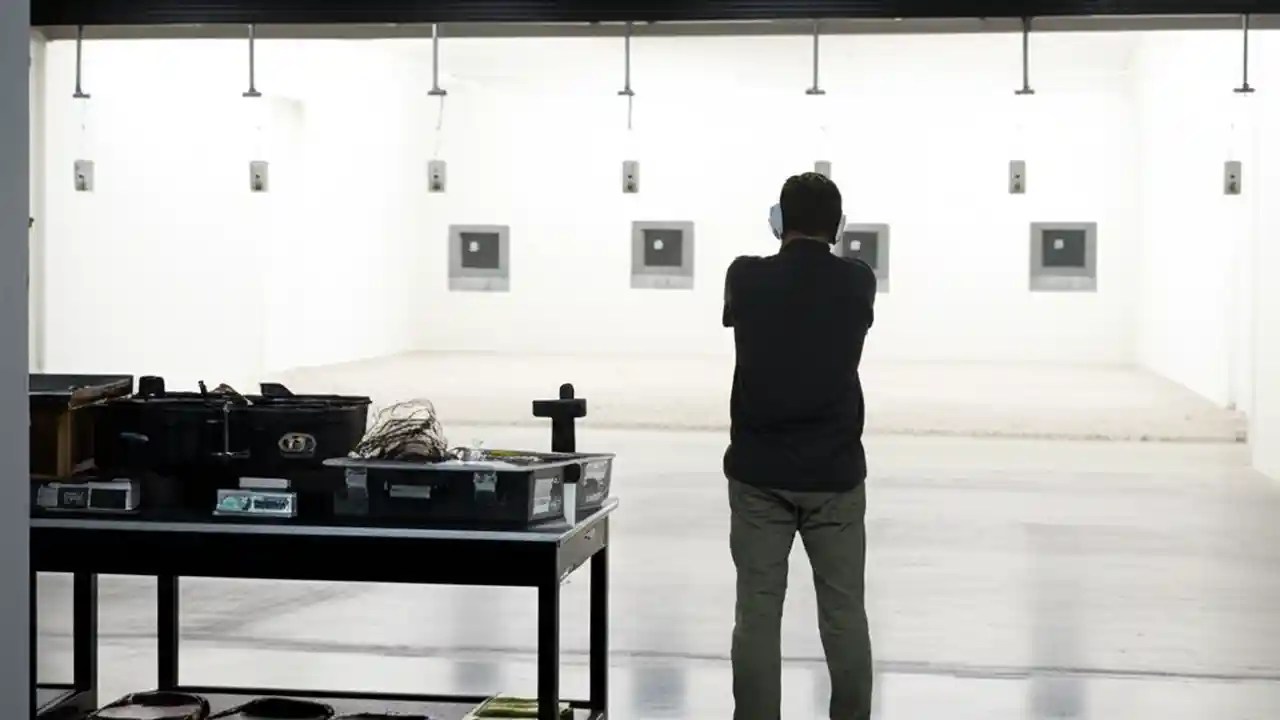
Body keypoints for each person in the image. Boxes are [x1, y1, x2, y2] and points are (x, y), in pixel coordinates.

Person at [721, 172, 877, 720]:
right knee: (844, 617)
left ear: (780, 222)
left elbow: (734, 316)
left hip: (759, 473)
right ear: (836, 227)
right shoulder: (858, 281)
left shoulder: (744, 276)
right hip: (834, 475)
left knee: (757, 615)